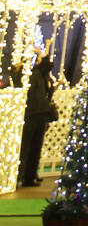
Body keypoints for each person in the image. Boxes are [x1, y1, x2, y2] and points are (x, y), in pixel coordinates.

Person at [17, 49, 57, 188]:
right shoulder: (29, 74)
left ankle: (30, 175)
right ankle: (22, 176)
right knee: (27, 147)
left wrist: (42, 53)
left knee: (35, 146)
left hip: (40, 113)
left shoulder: (41, 74)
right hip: (32, 113)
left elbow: (48, 65)